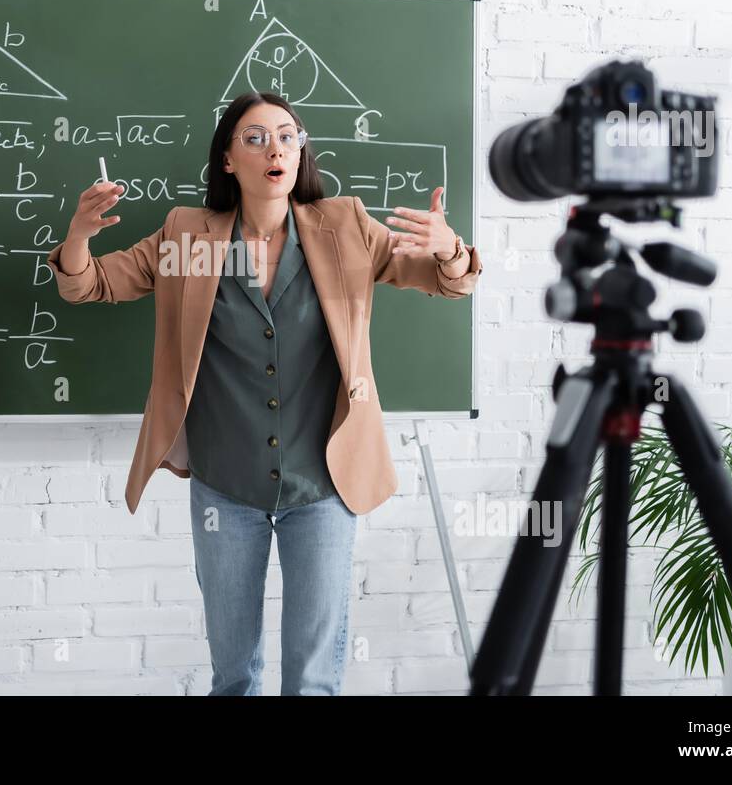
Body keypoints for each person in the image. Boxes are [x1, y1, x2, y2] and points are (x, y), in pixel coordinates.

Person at [46, 91, 483, 694]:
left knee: (312, 679)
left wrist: (450, 251)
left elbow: (446, 282)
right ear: (228, 160)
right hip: (225, 486)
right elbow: (88, 286)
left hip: (325, 483)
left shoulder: (346, 226)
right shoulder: (186, 237)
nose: (274, 148)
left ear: (301, 150)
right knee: (233, 676)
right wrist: (77, 238)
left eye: (286, 135)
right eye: (254, 138)